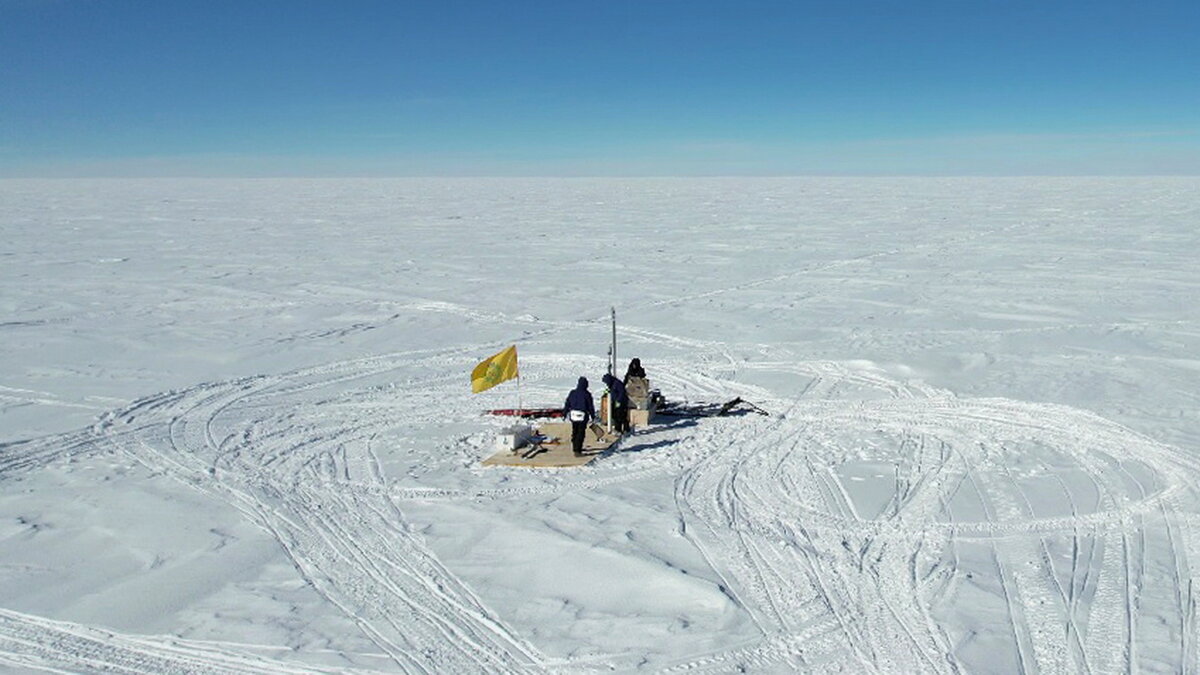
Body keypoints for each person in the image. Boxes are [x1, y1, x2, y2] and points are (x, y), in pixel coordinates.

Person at [563, 376, 596, 456]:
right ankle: (578, 450)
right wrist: (593, 415)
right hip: (582, 415)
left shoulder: (573, 393)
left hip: (573, 415)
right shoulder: (587, 394)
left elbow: (567, 403)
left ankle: (575, 447)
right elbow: (590, 406)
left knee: (574, 431)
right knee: (580, 433)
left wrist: (565, 413)